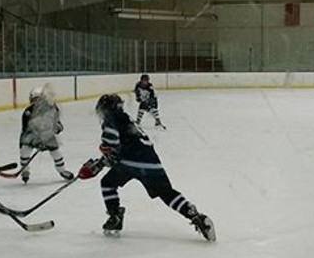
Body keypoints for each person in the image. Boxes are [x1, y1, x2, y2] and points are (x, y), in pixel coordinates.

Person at [77, 94, 214, 241]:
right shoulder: (127, 120)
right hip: (151, 162)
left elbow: (112, 143)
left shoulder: (111, 118)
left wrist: (99, 161)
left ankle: (115, 216)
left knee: (108, 183)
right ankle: (195, 215)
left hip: (130, 161)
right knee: (166, 193)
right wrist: (101, 163)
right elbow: (123, 146)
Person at [18, 87, 75, 183]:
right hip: (32, 136)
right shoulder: (27, 112)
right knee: (25, 151)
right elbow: (25, 130)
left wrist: (56, 129)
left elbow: (58, 125)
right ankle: (25, 170)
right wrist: (25, 141)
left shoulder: (52, 109)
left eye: (39, 99)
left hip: (48, 136)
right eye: (34, 100)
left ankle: (62, 171)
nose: (36, 102)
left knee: (56, 153)